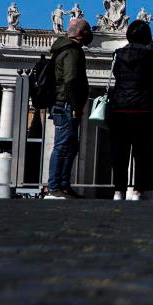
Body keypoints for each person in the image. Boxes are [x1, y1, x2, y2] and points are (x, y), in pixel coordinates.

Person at [107, 19, 153, 201]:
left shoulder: (118, 55)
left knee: (119, 151)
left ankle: (118, 191)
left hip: (120, 108)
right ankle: (138, 190)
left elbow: (116, 76)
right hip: (144, 109)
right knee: (143, 152)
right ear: (147, 37)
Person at [44, 17, 93, 198]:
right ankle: (55, 186)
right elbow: (71, 80)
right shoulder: (73, 51)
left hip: (62, 102)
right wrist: (75, 106)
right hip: (66, 104)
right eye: (88, 31)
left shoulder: (61, 48)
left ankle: (63, 186)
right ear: (81, 33)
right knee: (63, 146)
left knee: (71, 146)